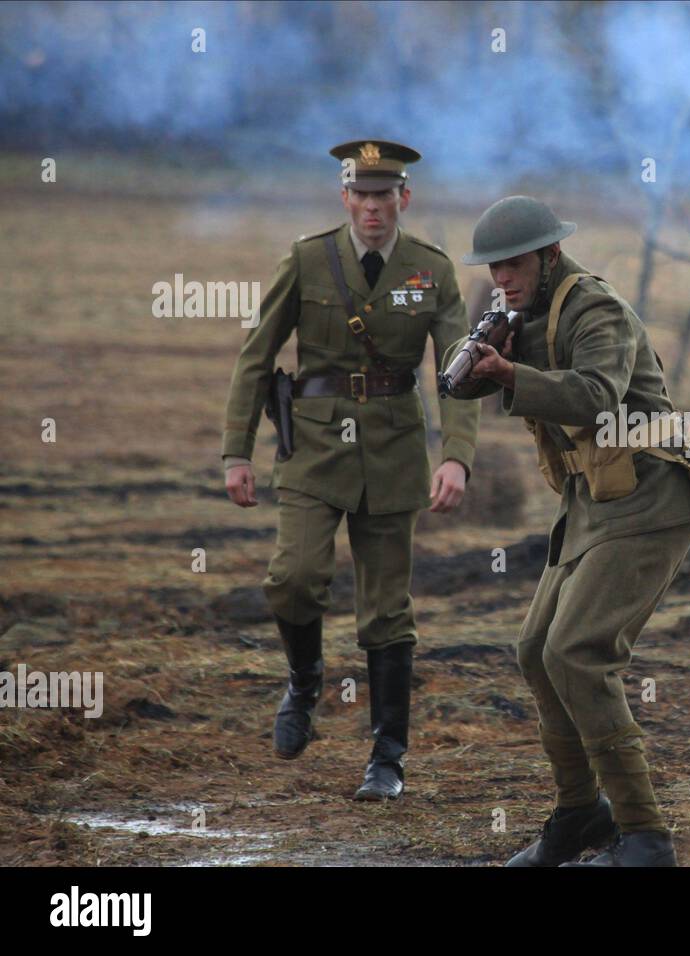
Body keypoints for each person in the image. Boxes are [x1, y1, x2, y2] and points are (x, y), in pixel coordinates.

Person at [447, 195, 690, 866]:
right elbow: (468, 384)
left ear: (550, 254)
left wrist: (511, 372)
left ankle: (646, 837)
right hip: (593, 497)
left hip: (651, 494)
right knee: (536, 650)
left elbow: (597, 396)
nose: (502, 277)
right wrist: (481, 353)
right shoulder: (518, 312)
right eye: (493, 267)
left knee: (578, 653)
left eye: (513, 264)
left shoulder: (597, 311)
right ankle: (579, 814)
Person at [221, 140, 479, 800]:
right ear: (345, 199)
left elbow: (457, 371)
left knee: (387, 611)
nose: (372, 207)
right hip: (312, 450)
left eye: (383, 195)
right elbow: (256, 357)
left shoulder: (430, 270)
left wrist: (456, 456)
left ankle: (387, 758)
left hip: (393, 456)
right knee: (295, 578)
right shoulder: (309, 259)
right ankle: (304, 682)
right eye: (360, 196)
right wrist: (236, 452)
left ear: (404, 199)